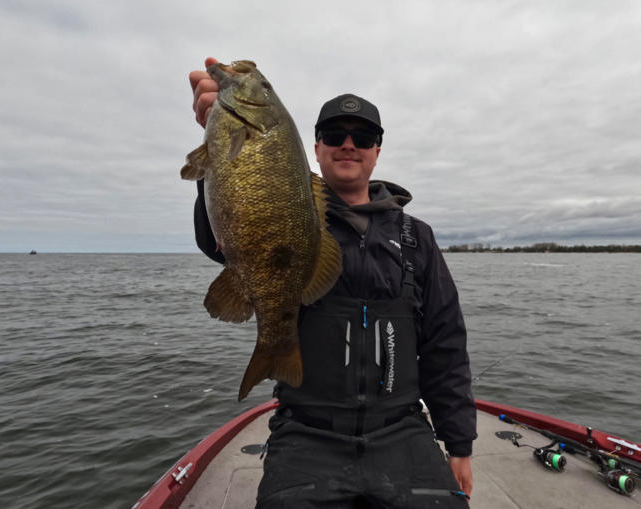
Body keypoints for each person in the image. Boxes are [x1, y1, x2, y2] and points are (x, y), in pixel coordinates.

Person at [189, 57, 476, 508]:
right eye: (334, 136)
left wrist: (459, 444)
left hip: (403, 431)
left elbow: (445, 342)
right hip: (305, 433)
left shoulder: (415, 236)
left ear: (377, 151)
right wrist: (218, 142)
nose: (348, 145)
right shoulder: (290, 209)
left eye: (362, 137)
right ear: (316, 147)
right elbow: (218, 238)